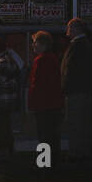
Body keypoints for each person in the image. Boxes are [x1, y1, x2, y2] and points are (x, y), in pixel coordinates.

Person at [61, 18, 92, 162]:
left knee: (75, 123)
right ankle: (83, 151)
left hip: (76, 91)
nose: (67, 31)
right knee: (83, 123)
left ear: (75, 29)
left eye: (69, 28)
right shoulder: (86, 45)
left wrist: (65, 86)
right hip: (84, 90)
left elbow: (71, 70)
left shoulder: (78, 46)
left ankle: (76, 152)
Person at [28, 30, 63, 161]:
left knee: (44, 134)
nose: (33, 46)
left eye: (34, 43)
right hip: (52, 104)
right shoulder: (52, 58)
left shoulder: (42, 60)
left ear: (41, 44)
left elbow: (38, 84)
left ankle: (44, 162)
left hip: (43, 104)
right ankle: (52, 161)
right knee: (51, 135)